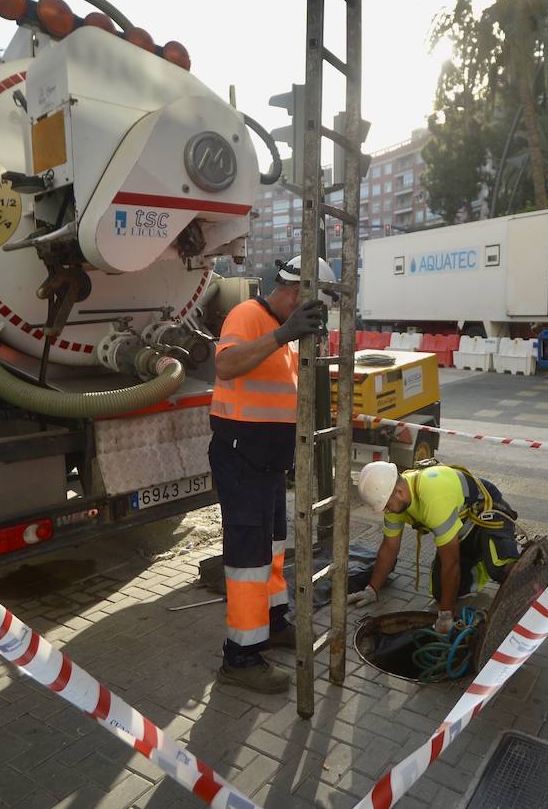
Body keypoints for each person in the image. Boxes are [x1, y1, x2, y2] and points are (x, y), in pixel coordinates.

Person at [209, 255, 334, 693]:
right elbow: (224, 367)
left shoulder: (287, 335)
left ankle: (272, 621)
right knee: (249, 558)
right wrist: (283, 334)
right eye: (312, 303)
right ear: (296, 291)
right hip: (240, 460)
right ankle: (240, 656)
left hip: (267, 464)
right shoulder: (249, 315)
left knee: (274, 548)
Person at [346, 460, 520, 634]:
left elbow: (450, 564)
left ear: (398, 492)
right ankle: (480, 557)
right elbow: (389, 548)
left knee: (500, 566)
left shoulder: (432, 497)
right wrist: (372, 589)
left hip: (488, 512)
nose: (387, 512)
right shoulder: (395, 501)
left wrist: (446, 615)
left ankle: (529, 583)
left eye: (386, 507)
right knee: (441, 592)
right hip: (462, 526)